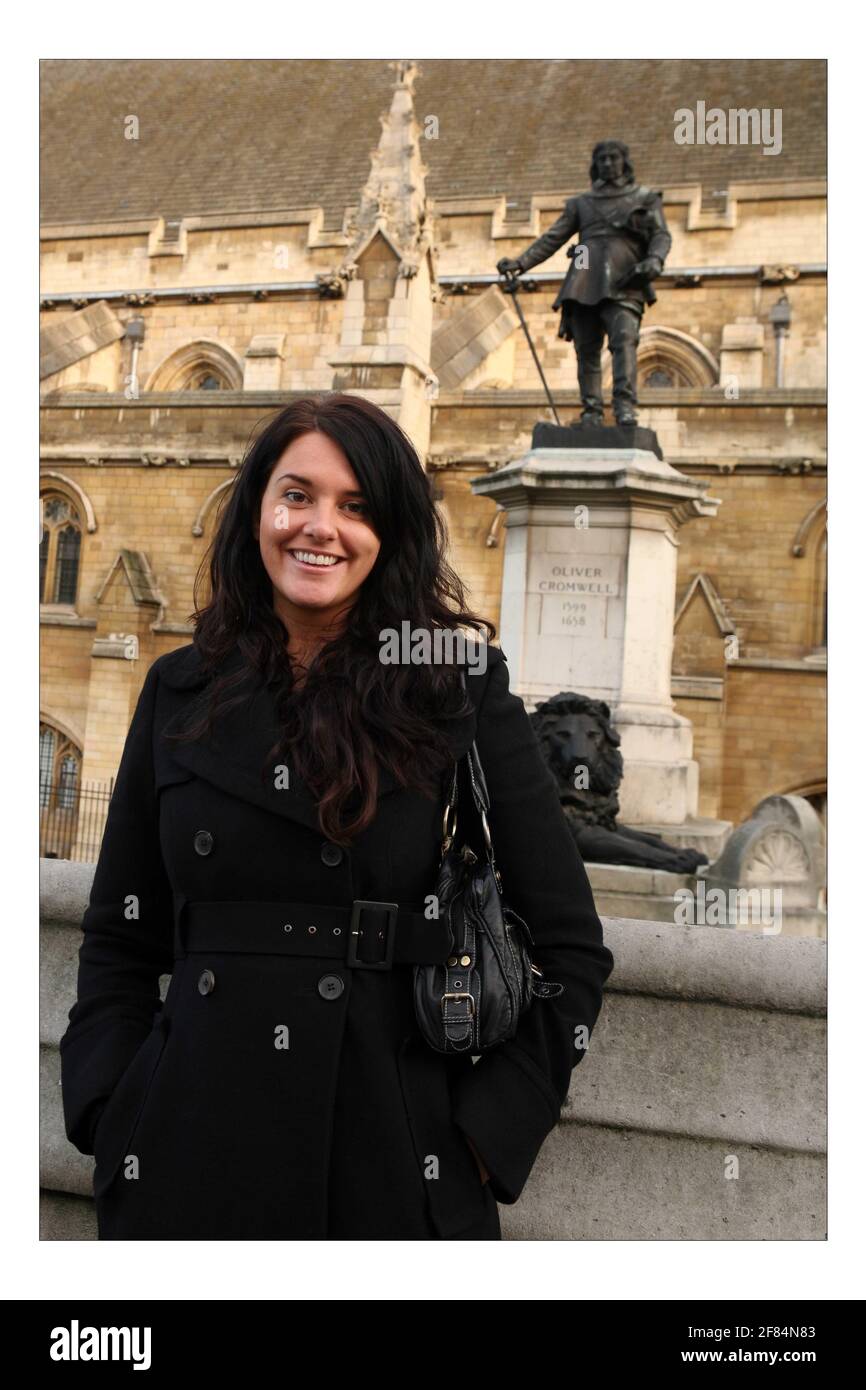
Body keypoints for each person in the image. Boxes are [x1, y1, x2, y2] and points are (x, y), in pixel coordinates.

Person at [59, 391, 615, 1240]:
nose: (321, 527)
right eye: (298, 496)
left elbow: (570, 945)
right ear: (256, 513)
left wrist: (484, 1135)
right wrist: (113, 1108)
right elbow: (119, 937)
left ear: (389, 533)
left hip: (388, 1158)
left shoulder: (455, 684)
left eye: (356, 507)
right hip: (184, 1153)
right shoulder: (179, 688)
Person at [497, 138, 672, 426]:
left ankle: (624, 408)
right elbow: (552, 238)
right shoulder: (582, 203)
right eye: (601, 159)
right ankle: (591, 411)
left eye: (613, 158)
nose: (607, 163)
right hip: (584, 271)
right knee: (586, 349)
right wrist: (520, 263)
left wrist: (655, 259)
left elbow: (661, 235)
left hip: (625, 276)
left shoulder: (644, 197)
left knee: (624, 341)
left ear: (624, 162)